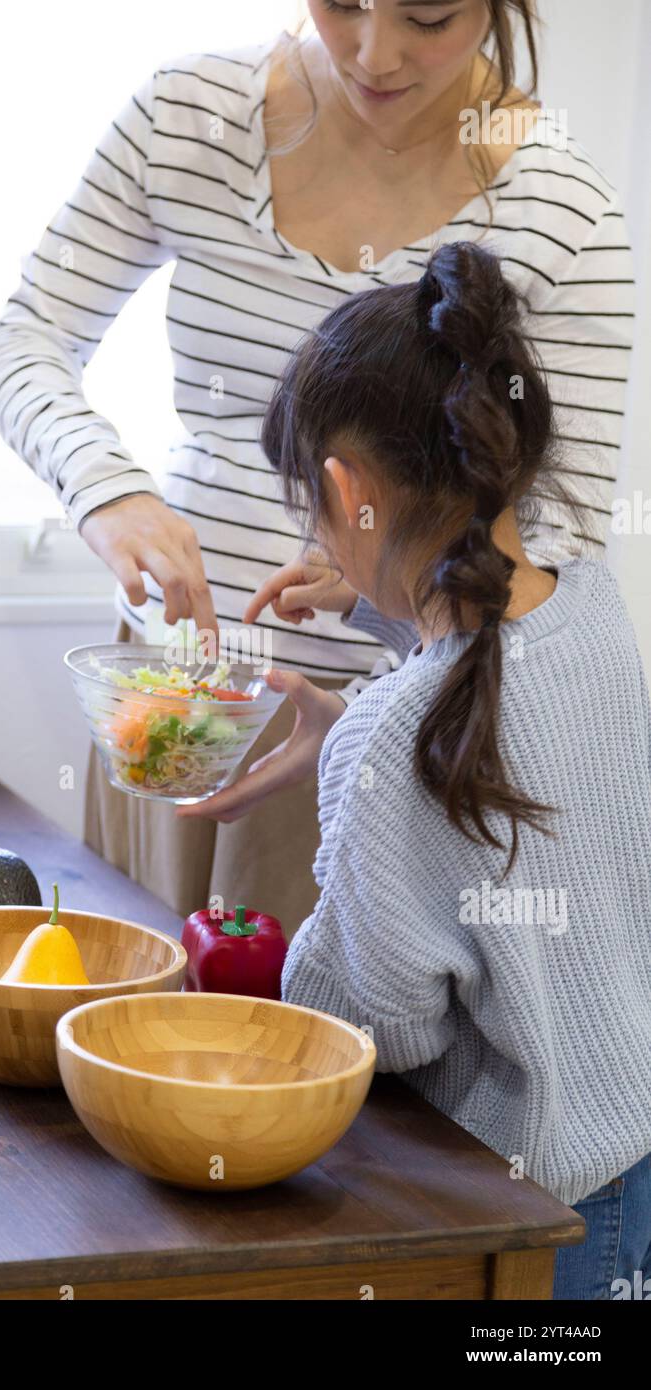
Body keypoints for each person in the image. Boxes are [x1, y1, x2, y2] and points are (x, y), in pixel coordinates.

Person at [0, 1, 633, 933]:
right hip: (171, 703)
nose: (375, 55)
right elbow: (22, 338)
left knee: (308, 1059)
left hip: (387, 737)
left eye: (428, 17)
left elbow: (560, 548)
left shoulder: (566, 218)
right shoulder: (189, 114)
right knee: (110, 1032)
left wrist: (374, 725)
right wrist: (108, 491)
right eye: (343, 4)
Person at [184, 238, 651, 1301]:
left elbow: (370, 1025)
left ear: (348, 491)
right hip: (625, 1152)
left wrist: (349, 778)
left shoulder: (391, 738)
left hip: (515, 1211)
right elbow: (491, 686)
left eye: (313, 505)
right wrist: (373, 666)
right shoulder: (591, 609)